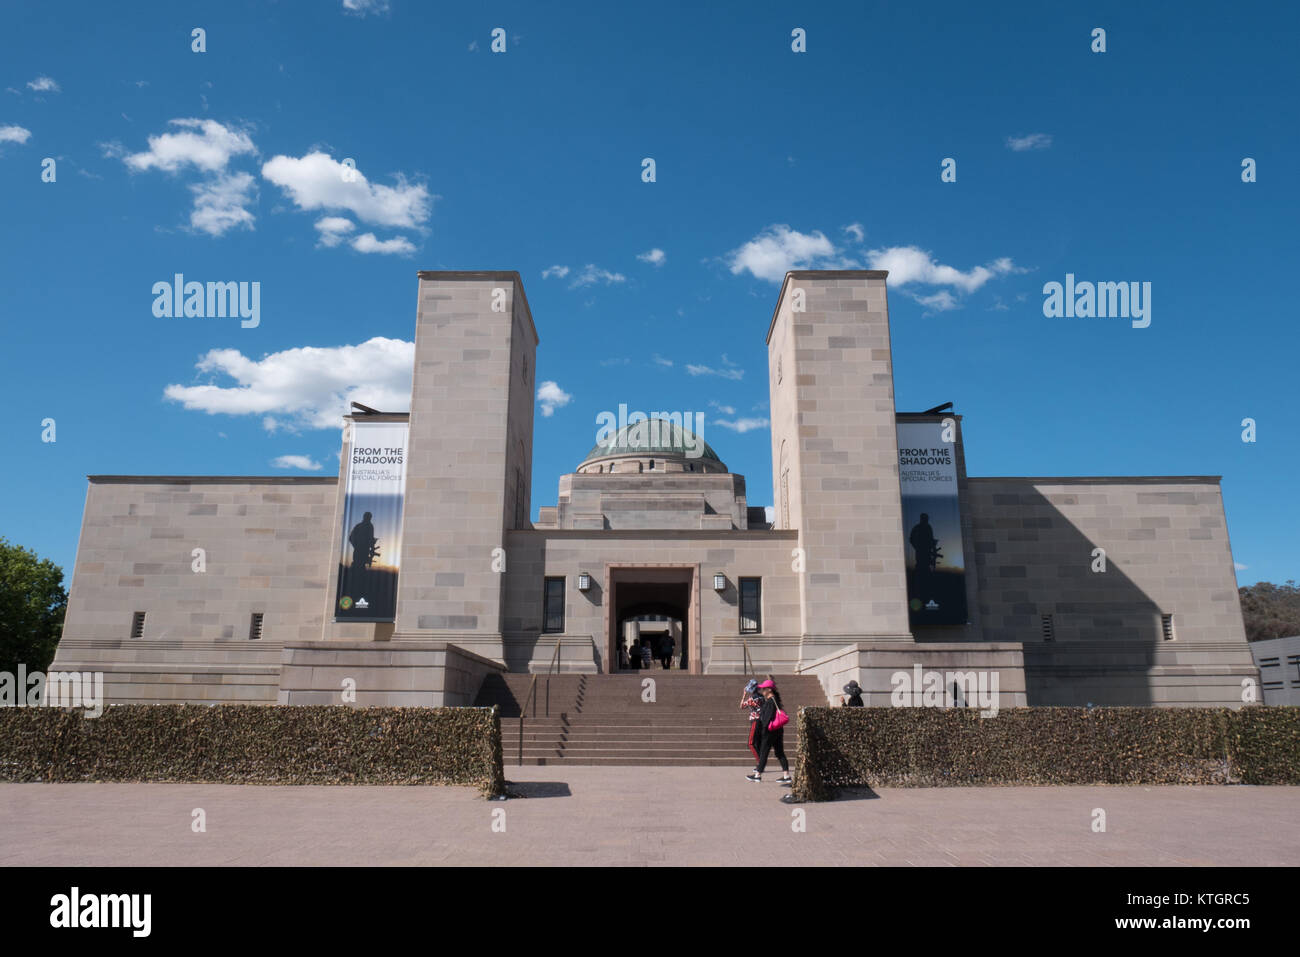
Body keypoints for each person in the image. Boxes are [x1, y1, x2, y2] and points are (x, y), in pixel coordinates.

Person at [747, 678, 791, 786]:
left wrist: (763, 729)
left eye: (764, 689)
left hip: (770, 731)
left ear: (769, 690)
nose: (762, 691)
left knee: (764, 752)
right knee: (779, 752)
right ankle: (786, 775)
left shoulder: (771, 702)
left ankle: (758, 775)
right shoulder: (774, 700)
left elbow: (767, 718)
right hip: (778, 730)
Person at [739, 678, 763, 767]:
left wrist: (744, 695)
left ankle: (760, 764)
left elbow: (741, 706)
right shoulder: (762, 697)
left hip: (755, 721)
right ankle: (761, 763)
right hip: (762, 721)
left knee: (751, 743)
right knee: (758, 743)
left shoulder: (751, 699)